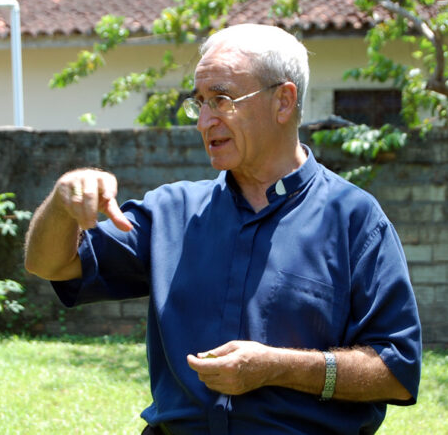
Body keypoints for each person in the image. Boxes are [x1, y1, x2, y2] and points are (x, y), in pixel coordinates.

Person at [24, 24, 421, 435]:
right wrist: (61, 205)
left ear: (283, 101)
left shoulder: (353, 219)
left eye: (222, 99)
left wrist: (277, 368)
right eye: (200, 103)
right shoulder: (172, 212)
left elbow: (397, 370)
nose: (204, 121)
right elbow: (50, 265)